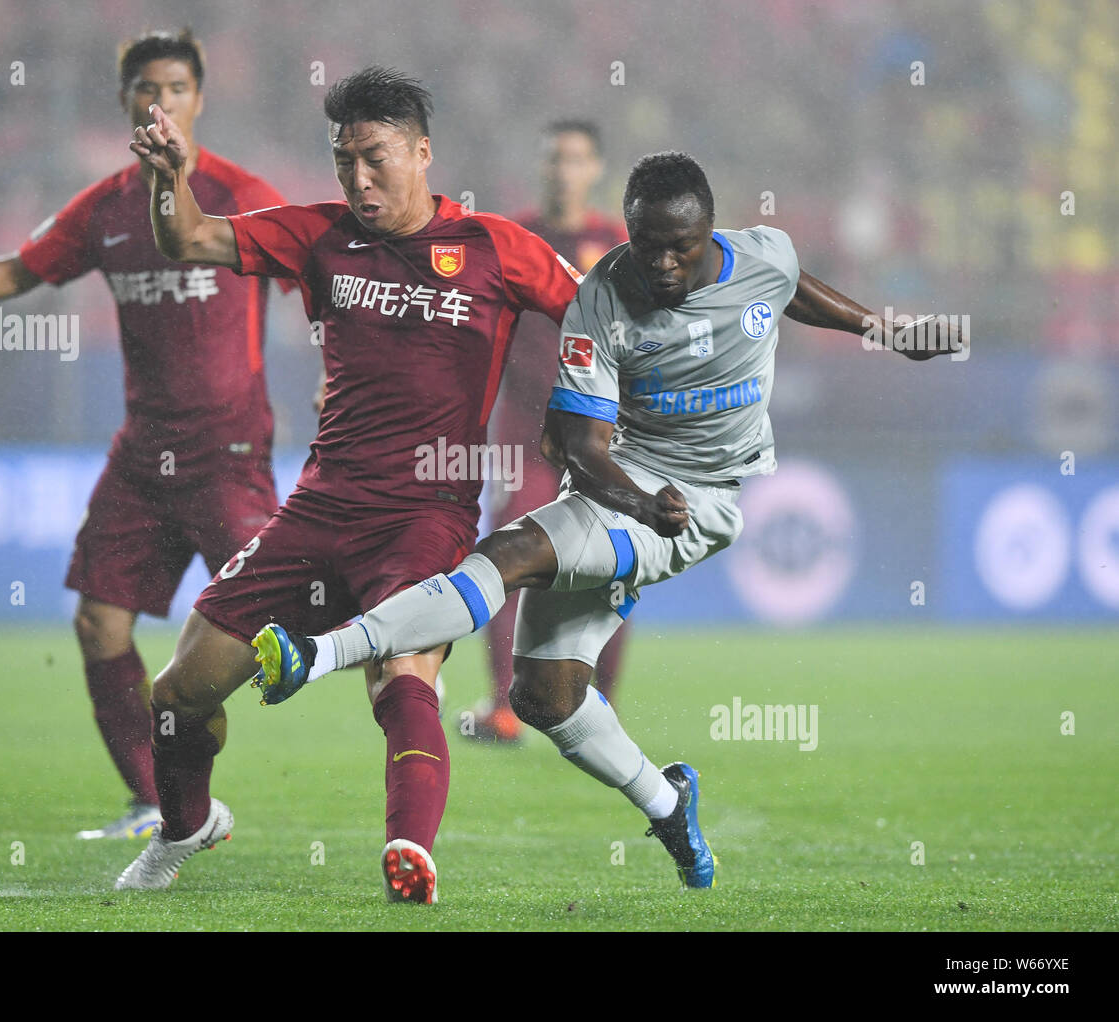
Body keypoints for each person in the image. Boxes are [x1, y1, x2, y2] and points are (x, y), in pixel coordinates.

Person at [252, 150, 964, 890]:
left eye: (679, 248)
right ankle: (668, 803)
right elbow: (586, 449)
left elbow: (792, 290)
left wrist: (885, 329)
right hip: (631, 488)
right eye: (646, 244)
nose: (660, 263)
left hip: (706, 501)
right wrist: (638, 502)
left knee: (509, 552)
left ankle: (318, 653)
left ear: (710, 233)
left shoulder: (763, 255)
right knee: (543, 694)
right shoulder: (603, 295)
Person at [114, 67, 581, 903]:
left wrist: (580, 415)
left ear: (423, 152)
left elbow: (592, 317)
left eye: (375, 159)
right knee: (179, 695)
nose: (358, 181)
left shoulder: (497, 249)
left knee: (403, 674)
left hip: (425, 517)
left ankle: (409, 853)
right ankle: (184, 827)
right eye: (343, 163)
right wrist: (167, 176)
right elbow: (186, 237)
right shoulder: (320, 237)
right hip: (318, 510)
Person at [0, 29, 287, 841]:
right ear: (125, 102)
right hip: (141, 455)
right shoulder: (107, 207)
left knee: (261, 626)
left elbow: (320, 276)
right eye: (144, 91)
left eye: (175, 89)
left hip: (231, 456)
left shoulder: (245, 193)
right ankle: (158, 803)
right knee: (98, 624)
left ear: (200, 98)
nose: (160, 104)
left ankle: (393, 662)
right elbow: (21, 269)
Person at [475, 119, 628, 743]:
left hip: (597, 429)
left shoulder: (616, 245)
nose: (564, 169)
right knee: (506, 556)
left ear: (594, 169)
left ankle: (597, 702)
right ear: (542, 166)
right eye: (554, 157)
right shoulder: (515, 237)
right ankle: (505, 705)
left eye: (576, 158)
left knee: (613, 566)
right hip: (524, 428)